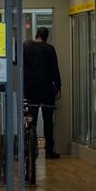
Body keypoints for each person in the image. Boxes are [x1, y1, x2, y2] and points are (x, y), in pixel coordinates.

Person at [22, 27, 62, 159]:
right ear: (46, 37)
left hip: (31, 89)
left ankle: (30, 148)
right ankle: (49, 150)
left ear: (36, 35)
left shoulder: (27, 46)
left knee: (31, 118)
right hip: (46, 89)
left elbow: (22, 68)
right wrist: (58, 87)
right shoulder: (49, 49)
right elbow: (55, 69)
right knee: (48, 120)